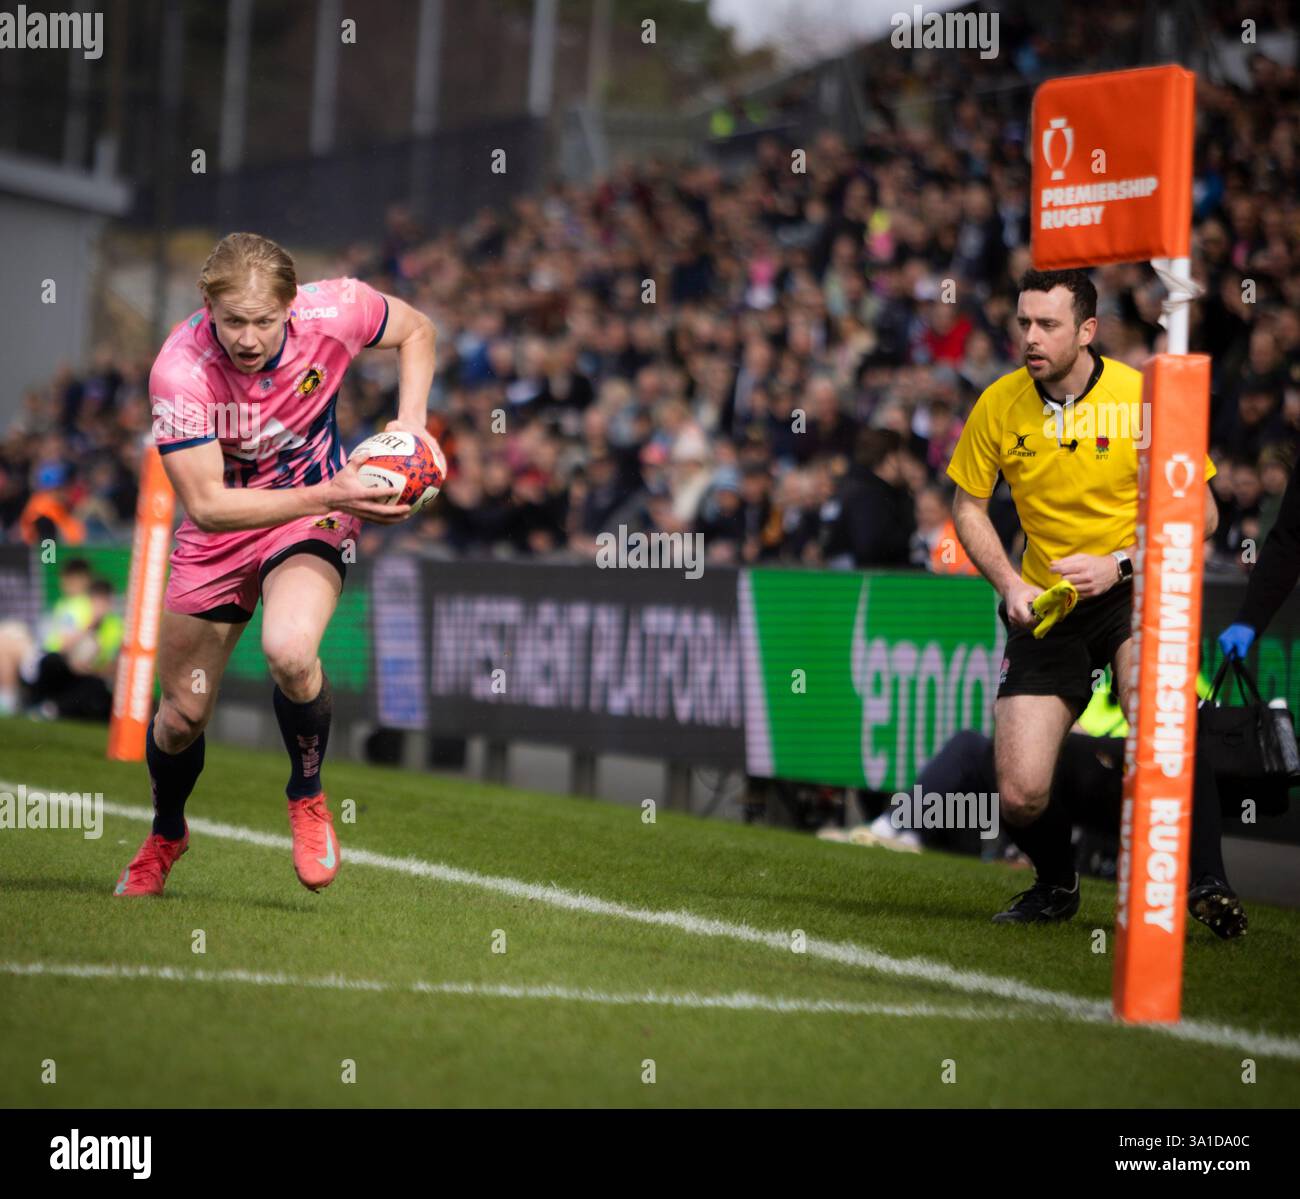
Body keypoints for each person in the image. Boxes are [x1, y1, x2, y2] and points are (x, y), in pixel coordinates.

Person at [113, 232, 437, 898]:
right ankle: (167, 832)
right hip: (228, 526)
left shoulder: (336, 308)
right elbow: (205, 506)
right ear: (207, 305)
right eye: (234, 320)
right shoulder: (181, 370)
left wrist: (411, 427)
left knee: (290, 652)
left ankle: (308, 791)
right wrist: (334, 490)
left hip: (310, 514)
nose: (250, 337)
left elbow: (418, 329)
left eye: (265, 320)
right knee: (180, 717)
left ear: (293, 306)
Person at [945, 268, 1224, 926]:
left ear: (1088, 330)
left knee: (1158, 725)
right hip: (1048, 604)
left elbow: (1204, 514)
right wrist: (1009, 582)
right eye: (1023, 323)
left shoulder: (1143, 396)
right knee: (1018, 792)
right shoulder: (1000, 403)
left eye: (1048, 325)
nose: (1031, 338)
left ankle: (1205, 882)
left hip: (1132, 587)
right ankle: (1058, 882)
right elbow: (969, 508)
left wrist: (1120, 561)